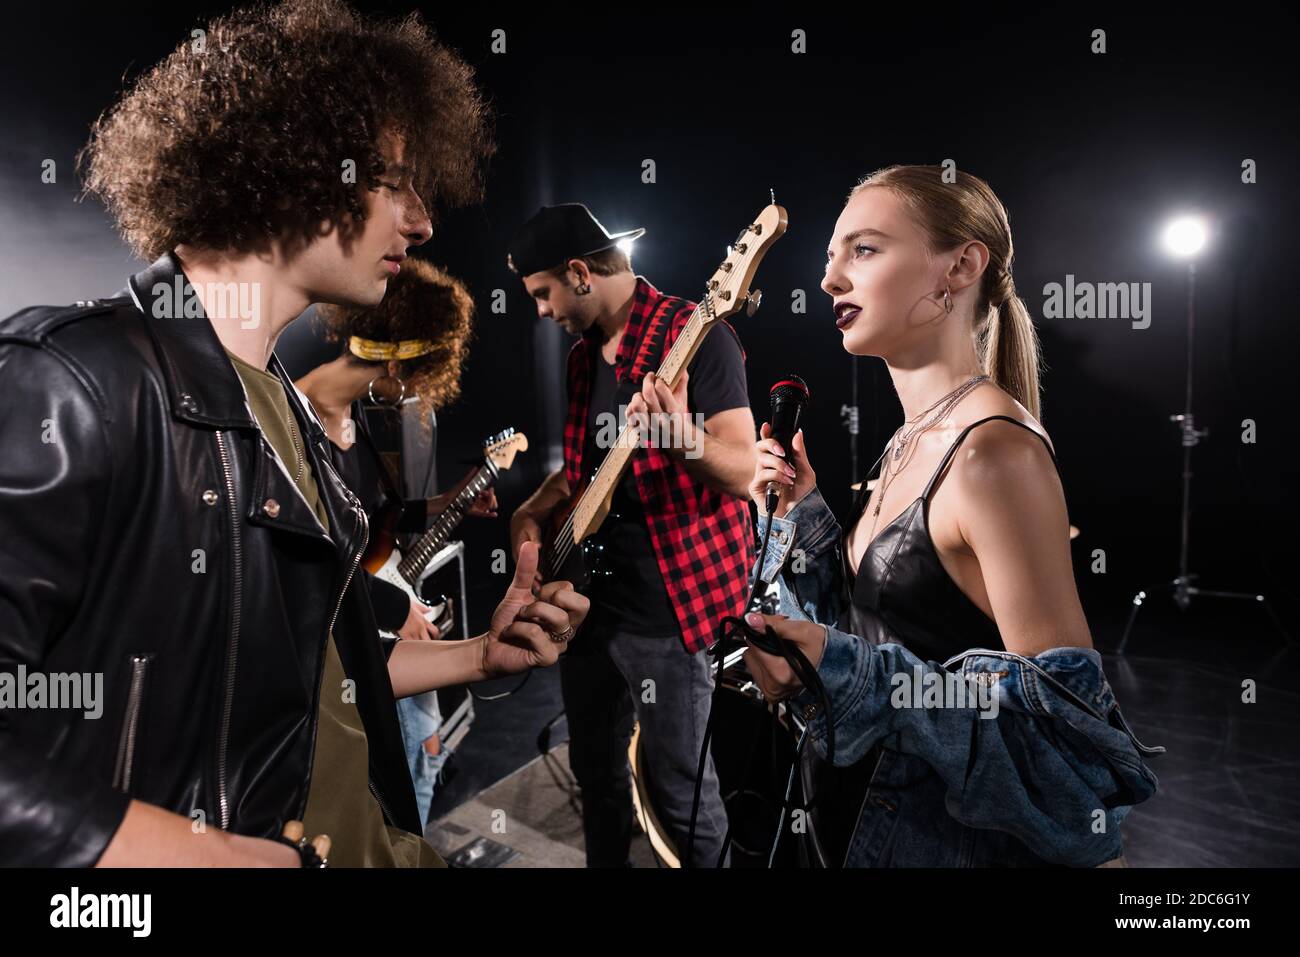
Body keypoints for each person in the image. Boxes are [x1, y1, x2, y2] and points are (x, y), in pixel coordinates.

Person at [0, 0, 586, 867]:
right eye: (393, 181)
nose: (421, 221)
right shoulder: (77, 381)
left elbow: (310, 682)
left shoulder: (292, 422)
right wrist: (212, 856)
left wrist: (477, 656)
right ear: (294, 167)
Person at [743, 165, 1161, 867]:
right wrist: (805, 516)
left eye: (864, 250)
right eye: (830, 256)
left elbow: (1065, 746)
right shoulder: (907, 442)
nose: (830, 281)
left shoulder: (993, 455)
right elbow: (876, 631)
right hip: (861, 829)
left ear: (962, 264)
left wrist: (847, 673)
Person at [507, 203, 757, 867]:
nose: (541, 311)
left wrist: (681, 439)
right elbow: (585, 471)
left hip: (667, 609)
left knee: (682, 796)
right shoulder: (584, 360)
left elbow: (743, 469)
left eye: (542, 294)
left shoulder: (698, 336)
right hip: (589, 603)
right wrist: (530, 512)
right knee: (597, 776)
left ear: (580, 273)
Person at [297, 257, 496, 829]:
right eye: (415, 374)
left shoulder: (355, 414)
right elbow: (313, 557)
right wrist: (394, 604)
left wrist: (451, 498)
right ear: (393, 356)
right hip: (347, 636)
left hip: (380, 615)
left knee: (425, 753)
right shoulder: (294, 420)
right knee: (395, 769)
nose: (412, 390)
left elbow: (376, 517)